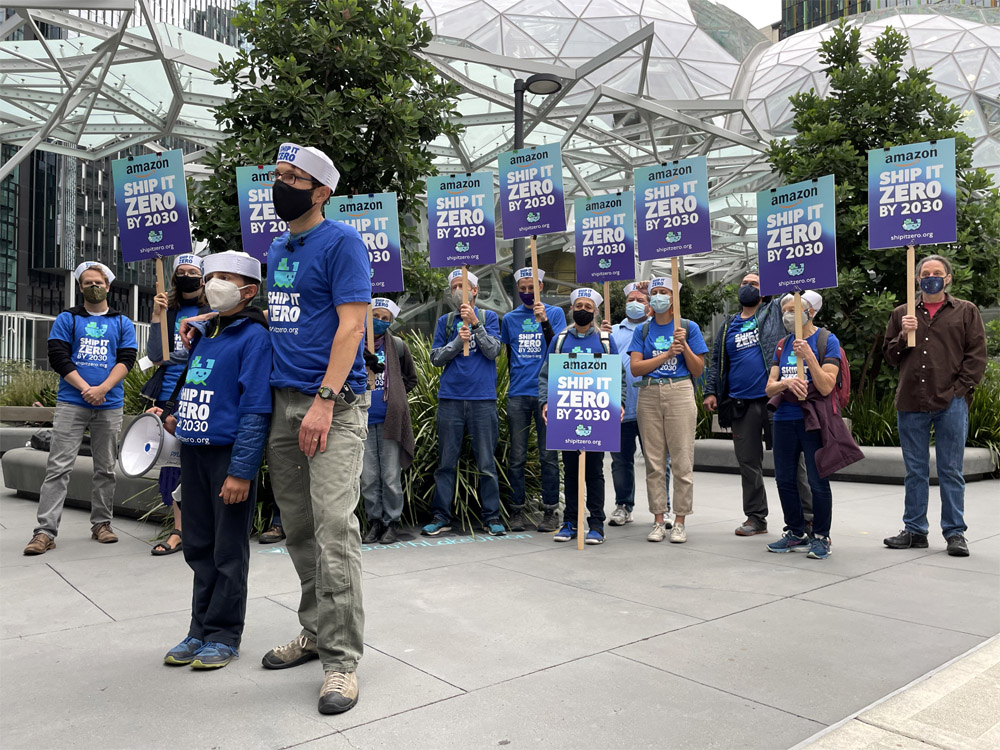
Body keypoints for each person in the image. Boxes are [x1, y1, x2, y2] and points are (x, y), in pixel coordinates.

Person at [260, 142, 371, 715]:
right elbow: (290, 317)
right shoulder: (278, 246)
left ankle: (341, 661)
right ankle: (314, 629)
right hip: (283, 403)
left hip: (332, 404)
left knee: (333, 528)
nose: (279, 184)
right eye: (277, 175)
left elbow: (351, 327)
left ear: (321, 192)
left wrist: (325, 400)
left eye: (292, 177)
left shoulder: (343, 242)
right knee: (299, 528)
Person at [159, 251, 272, 669]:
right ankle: (199, 629)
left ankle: (224, 634)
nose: (213, 284)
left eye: (226, 277)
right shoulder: (205, 334)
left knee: (227, 550)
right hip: (194, 453)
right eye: (211, 276)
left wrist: (242, 470)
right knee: (198, 545)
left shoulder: (254, 337)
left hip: (228, 456)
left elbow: (255, 406)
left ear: (249, 290)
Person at [24, 262, 137, 556]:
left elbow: (127, 359)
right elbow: (58, 356)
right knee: (58, 467)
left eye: (98, 282)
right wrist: (86, 388)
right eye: (88, 283)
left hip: (109, 404)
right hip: (71, 402)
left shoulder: (122, 322)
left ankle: (102, 524)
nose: (94, 287)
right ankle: (45, 531)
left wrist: (102, 389)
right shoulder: (67, 318)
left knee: (106, 469)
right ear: (80, 287)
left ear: (108, 286)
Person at [882, 255, 987, 557]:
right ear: (917, 279)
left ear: (948, 278)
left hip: (950, 402)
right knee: (915, 471)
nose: (931, 277)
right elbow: (890, 356)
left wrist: (959, 391)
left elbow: (976, 354)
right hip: (911, 400)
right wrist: (904, 335)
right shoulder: (902, 313)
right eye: (925, 273)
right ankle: (915, 530)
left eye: (937, 273)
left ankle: (955, 532)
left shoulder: (966, 311)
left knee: (950, 470)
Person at [703, 272, 814, 537]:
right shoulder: (728, 324)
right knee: (748, 463)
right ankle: (755, 517)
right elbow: (717, 361)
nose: (748, 287)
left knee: (792, 461)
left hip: (776, 401)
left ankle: (807, 519)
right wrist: (711, 392)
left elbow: (795, 290)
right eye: (744, 283)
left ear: (765, 291)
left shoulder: (773, 311)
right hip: (740, 403)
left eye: (754, 283)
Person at [423, 269, 505, 537]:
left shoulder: (488, 318)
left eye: (464, 285)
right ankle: (441, 516)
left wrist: (476, 326)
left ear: (475, 291)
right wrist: (458, 342)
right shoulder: (446, 321)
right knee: (446, 462)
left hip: (483, 400)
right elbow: (436, 358)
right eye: (455, 286)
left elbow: (493, 351)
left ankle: (491, 517)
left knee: (486, 463)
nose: (459, 290)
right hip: (451, 399)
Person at [539, 287, 622, 546]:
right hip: (568, 413)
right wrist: (545, 402)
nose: (583, 310)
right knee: (572, 471)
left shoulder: (605, 340)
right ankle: (571, 522)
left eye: (588, 307)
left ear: (595, 312)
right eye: (579, 306)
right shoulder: (560, 340)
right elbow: (546, 373)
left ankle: (596, 524)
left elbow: (617, 374)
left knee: (594, 471)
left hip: (597, 413)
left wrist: (619, 403)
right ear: (571, 309)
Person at [628, 277, 707, 544]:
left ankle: (680, 520)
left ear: (674, 299)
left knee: (682, 459)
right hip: (649, 392)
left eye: (664, 292)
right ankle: (659, 519)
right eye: (655, 292)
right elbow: (636, 368)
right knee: (654, 461)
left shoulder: (688, 327)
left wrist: (684, 346)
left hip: (679, 390)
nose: (659, 296)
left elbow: (698, 369)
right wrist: (666, 354)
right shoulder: (643, 330)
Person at [764, 291, 841, 560]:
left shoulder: (826, 340)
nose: (788, 315)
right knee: (785, 479)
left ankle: (821, 535)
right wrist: (785, 383)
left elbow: (827, 385)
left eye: (793, 310)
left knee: (817, 480)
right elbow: (769, 387)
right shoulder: (782, 344)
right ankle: (795, 531)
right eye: (785, 310)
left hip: (813, 419)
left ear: (810, 313)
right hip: (784, 419)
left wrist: (808, 356)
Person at [144, 253, 208, 556]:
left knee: (197, 464)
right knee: (172, 465)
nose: (187, 277)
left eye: (193, 272)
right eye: (181, 272)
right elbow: (156, 356)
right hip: (168, 398)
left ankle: (199, 525)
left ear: (203, 278)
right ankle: (179, 530)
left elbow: (205, 353)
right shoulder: (167, 310)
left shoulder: (211, 311)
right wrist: (157, 315)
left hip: (198, 395)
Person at [499, 267, 566, 533]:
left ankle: (550, 510)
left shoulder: (556, 313)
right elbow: (509, 355)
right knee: (517, 456)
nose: (527, 292)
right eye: (523, 289)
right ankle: (516, 510)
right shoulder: (509, 319)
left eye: (532, 288)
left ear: (541, 286)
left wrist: (545, 322)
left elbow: (559, 349)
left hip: (547, 394)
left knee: (548, 456)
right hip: (518, 394)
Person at [609, 281, 671, 527]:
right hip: (620, 407)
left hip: (652, 405)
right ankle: (623, 505)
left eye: (640, 300)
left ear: (650, 305)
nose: (634, 303)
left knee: (658, 461)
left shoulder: (658, 328)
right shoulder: (613, 331)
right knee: (620, 461)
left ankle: (663, 508)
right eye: (630, 300)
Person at [361, 297, 418, 545]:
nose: (380, 321)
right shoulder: (354, 342)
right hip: (362, 420)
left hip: (389, 421)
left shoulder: (397, 345)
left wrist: (395, 397)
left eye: (385, 319)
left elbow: (411, 379)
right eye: (375, 316)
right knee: (368, 477)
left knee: (390, 476)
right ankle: (375, 521)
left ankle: (391, 522)